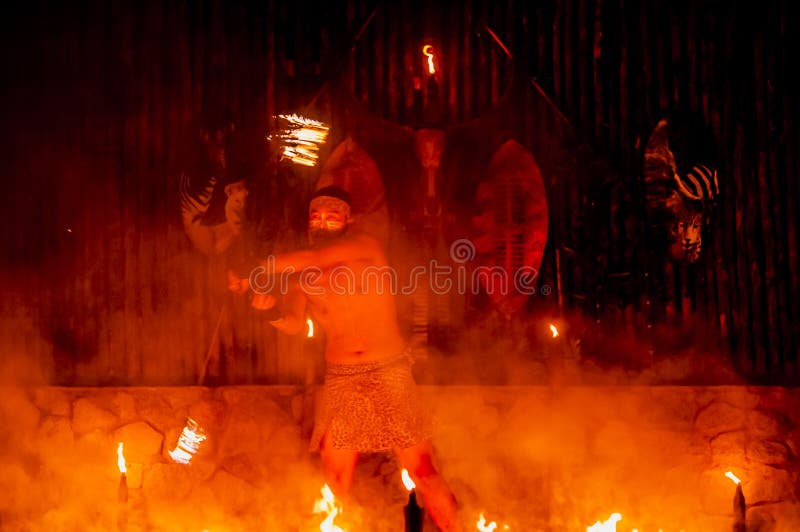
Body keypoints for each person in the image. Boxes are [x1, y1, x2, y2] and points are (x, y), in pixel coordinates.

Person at [232, 186, 463, 531]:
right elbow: (294, 322)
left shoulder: (364, 246)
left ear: (348, 218)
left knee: (423, 471)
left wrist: (259, 267)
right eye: (316, 214)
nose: (323, 220)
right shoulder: (301, 275)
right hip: (342, 376)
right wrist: (263, 310)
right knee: (335, 479)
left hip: (388, 370)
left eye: (332, 213)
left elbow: (317, 259)